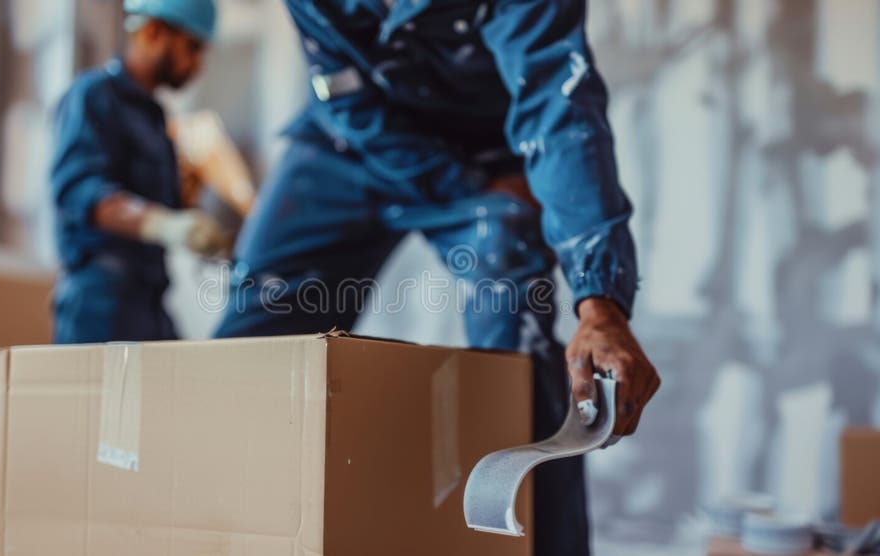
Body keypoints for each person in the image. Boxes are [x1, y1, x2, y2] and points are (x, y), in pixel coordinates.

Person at [214, 1, 661, 553]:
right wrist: (458, 184)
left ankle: (539, 543)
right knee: (247, 343)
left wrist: (601, 306)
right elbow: (342, 87)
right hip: (348, 137)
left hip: (489, 152)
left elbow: (560, 107)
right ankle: (227, 531)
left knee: (515, 332)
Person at [50, 0, 228, 343]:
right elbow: (79, 192)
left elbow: (168, 208)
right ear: (153, 31)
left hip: (150, 300)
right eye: (192, 48)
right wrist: (162, 224)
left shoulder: (156, 118)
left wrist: (193, 217)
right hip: (100, 303)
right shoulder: (92, 96)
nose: (198, 64)